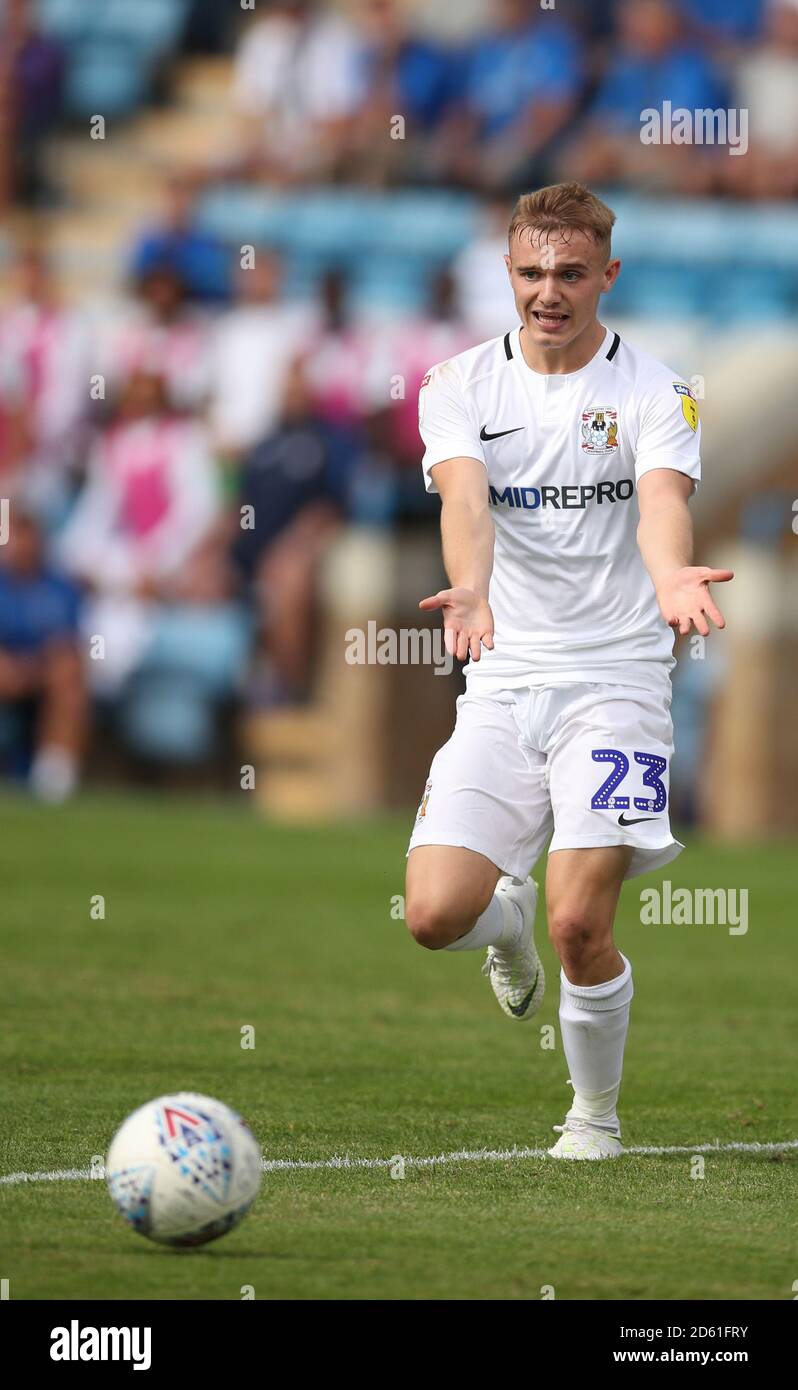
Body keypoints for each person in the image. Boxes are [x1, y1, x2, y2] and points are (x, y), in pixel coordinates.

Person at [404, 182, 733, 1159]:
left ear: (607, 276)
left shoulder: (657, 389)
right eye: (533, 272)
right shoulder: (458, 383)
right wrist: (471, 585)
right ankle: (499, 926)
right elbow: (465, 500)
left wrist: (672, 573)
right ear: (510, 272)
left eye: (571, 274)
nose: (551, 292)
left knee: (581, 921)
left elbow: (662, 501)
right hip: (505, 678)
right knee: (430, 916)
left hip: (617, 685)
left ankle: (594, 1118)